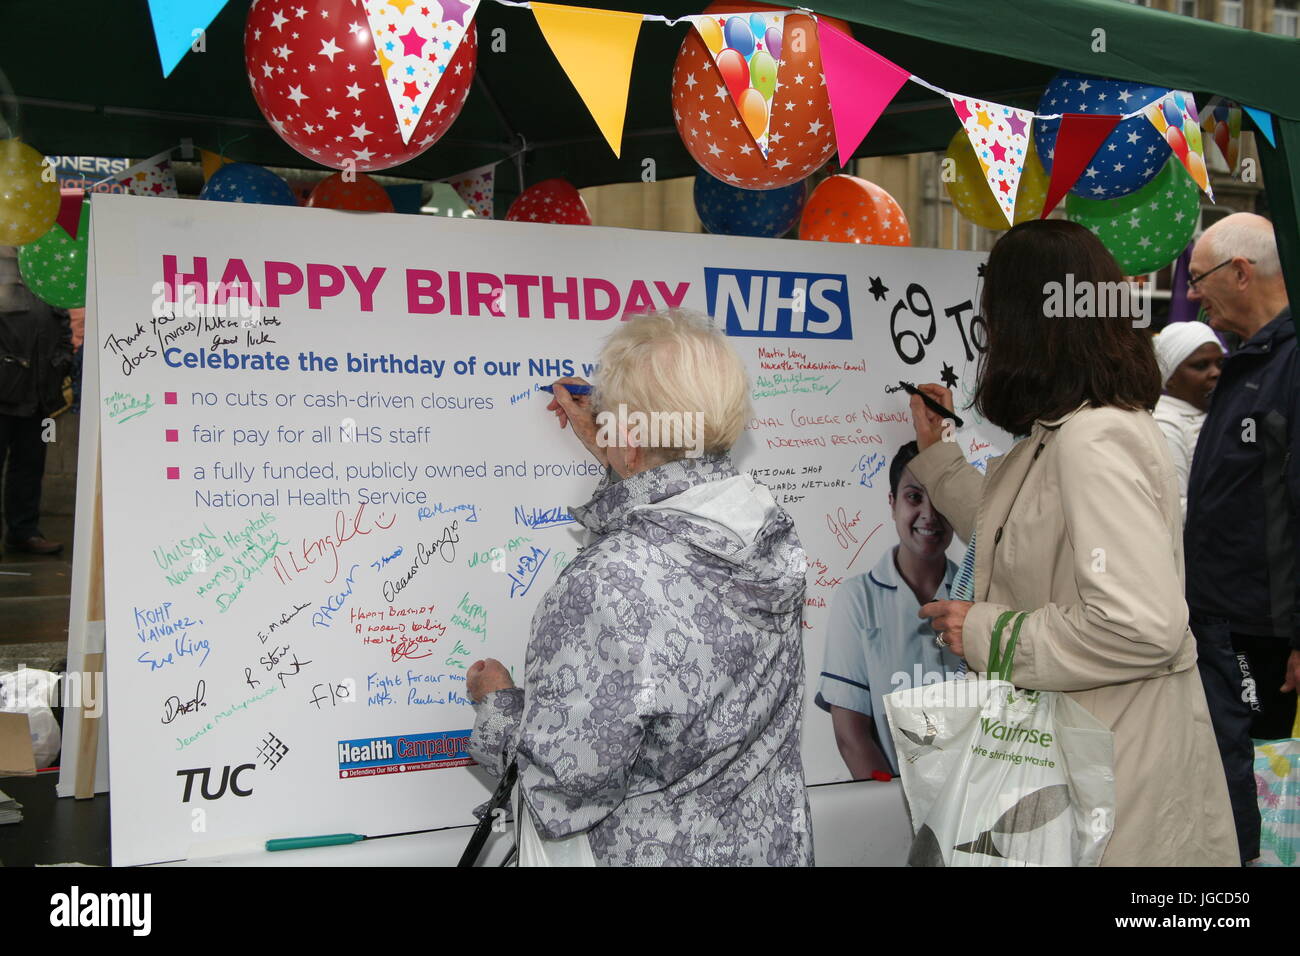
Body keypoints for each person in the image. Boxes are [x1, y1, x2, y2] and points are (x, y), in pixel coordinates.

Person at [907, 219, 1238, 866]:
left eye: (993, 314)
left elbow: (1140, 626)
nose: (986, 333)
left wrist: (987, 633)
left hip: (1116, 788)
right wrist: (939, 459)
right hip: (1084, 767)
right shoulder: (1062, 433)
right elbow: (1021, 542)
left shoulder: (1093, 440)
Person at [466, 309, 813, 866]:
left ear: (629, 439)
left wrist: (500, 707)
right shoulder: (768, 538)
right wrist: (621, 455)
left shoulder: (607, 580)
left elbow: (567, 787)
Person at [1183, 212, 1298, 864]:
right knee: (1233, 771)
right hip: (1229, 620)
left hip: (1264, 629)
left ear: (1241, 273)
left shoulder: (1289, 365)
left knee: (1255, 776)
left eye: (1199, 280)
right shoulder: (1251, 361)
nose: (1195, 295)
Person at [815, 441, 962, 777]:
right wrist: (898, 816)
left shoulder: (981, 594)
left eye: (942, 498)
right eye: (914, 497)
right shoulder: (857, 599)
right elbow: (851, 737)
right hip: (897, 812)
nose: (930, 514)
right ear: (893, 503)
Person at [0, 246, 70, 557]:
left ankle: (24, 531)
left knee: (31, 466)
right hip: (4, 393)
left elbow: (65, 330)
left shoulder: (49, 276)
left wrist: (63, 363)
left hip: (41, 399)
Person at [1151, 321, 1225, 520]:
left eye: (1221, 363)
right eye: (1201, 366)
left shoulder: (1221, 413)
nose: (1216, 372)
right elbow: (1176, 507)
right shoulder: (1164, 424)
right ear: (1171, 377)